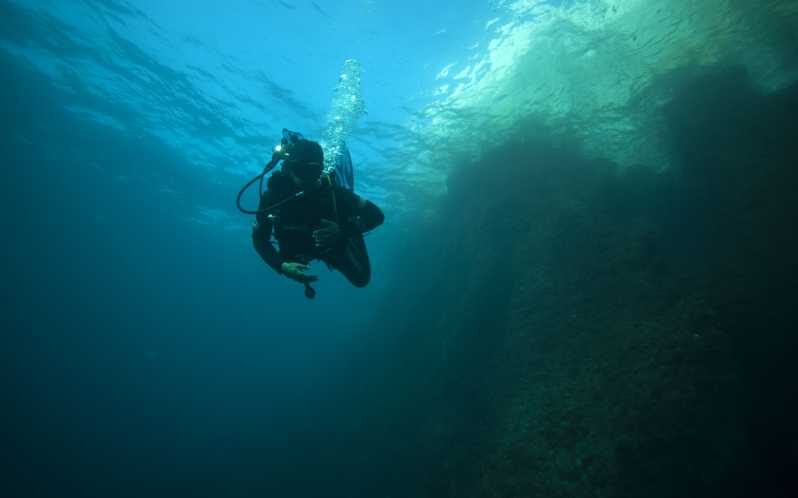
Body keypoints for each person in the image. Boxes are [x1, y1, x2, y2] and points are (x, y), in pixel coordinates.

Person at [251, 138, 384, 295]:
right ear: (289, 168)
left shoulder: (335, 194)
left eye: (313, 172)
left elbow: (377, 216)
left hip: (334, 244)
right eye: (301, 170)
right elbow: (260, 239)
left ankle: (349, 233)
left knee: (361, 279)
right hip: (296, 249)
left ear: (322, 170)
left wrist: (345, 230)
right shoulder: (273, 198)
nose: (307, 179)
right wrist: (281, 266)